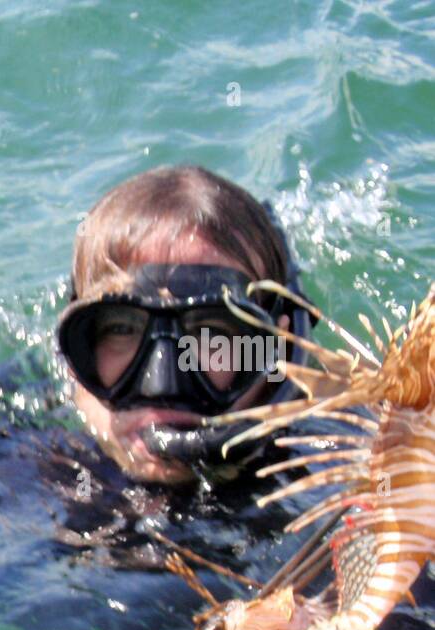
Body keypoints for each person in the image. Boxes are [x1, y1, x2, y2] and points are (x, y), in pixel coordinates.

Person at [54, 165, 316, 486]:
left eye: (212, 334)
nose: (162, 384)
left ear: (278, 352)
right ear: (75, 357)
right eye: (122, 329)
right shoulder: (2, 467)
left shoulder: (357, 474)